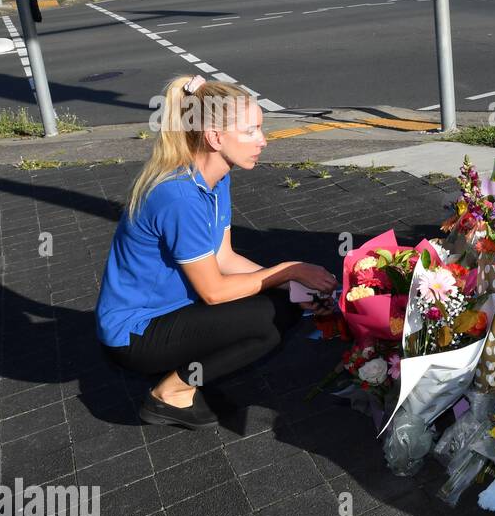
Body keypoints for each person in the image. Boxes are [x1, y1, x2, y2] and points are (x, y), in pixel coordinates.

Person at [96, 75, 337, 429]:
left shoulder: (215, 177)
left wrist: (294, 287)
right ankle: (169, 393)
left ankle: (183, 376)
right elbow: (214, 291)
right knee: (264, 323)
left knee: (284, 307)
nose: (263, 141)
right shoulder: (179, 195)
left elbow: (224, 258)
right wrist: (288, 270)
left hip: (174, 311)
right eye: (251, 131)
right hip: (134, 334)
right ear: (214, 137)